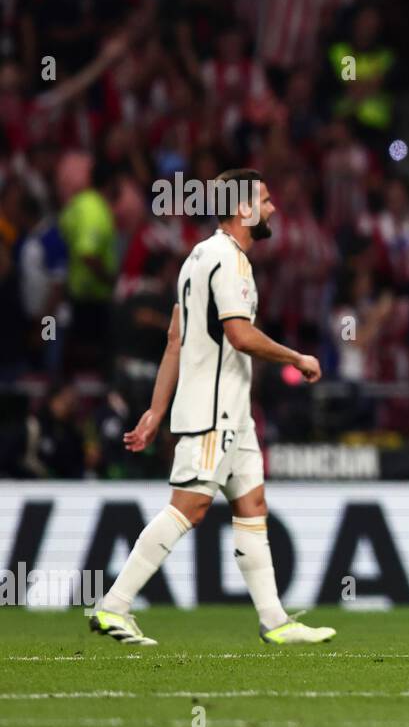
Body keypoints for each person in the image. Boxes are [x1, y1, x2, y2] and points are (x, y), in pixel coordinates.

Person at [89, 170, 335, 646]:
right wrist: (297, 357)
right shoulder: (229, 261)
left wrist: (156, 411)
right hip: (213, 410)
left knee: (252, 506)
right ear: (243, 208)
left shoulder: (196, 258)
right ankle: (113, 606)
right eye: (265, 200)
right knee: (190, 506)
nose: (272, 209)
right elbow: (240, 335)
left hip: (232, 413)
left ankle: (274, 620)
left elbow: (175, 339)